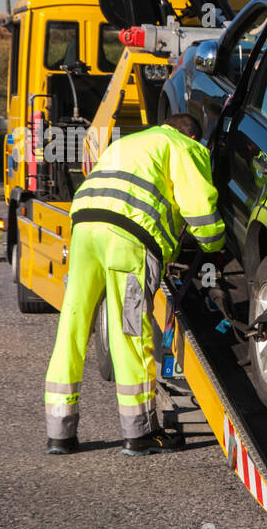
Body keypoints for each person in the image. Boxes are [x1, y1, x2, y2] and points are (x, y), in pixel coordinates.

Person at [43, 115, 226, 456]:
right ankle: (140, 434)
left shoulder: (127, 143)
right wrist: (215, 245)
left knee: (72, 324)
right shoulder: (186, 147)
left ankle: (60, 434)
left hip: (84, 227)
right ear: (190, 133)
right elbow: (199, 208)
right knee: (129, 331)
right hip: (128, 238)